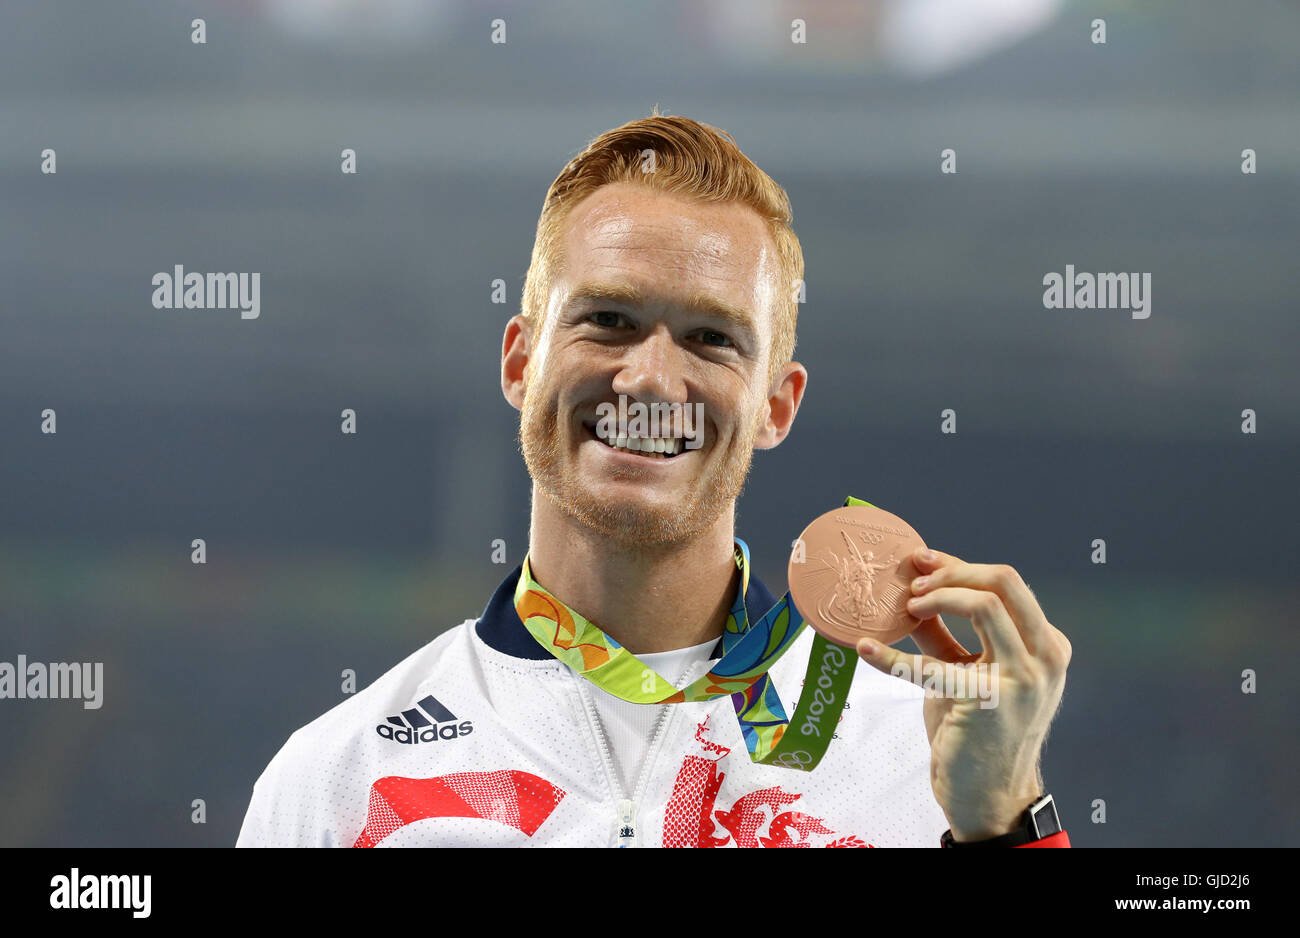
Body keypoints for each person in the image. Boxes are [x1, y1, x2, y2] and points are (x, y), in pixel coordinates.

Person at [237, 111, 1073, 848]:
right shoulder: (341, 777)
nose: (650, 379)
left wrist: (1004, 822)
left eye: (712, 338)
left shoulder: (919, 757)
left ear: (777, 407)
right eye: (609, 320)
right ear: (522, 362)